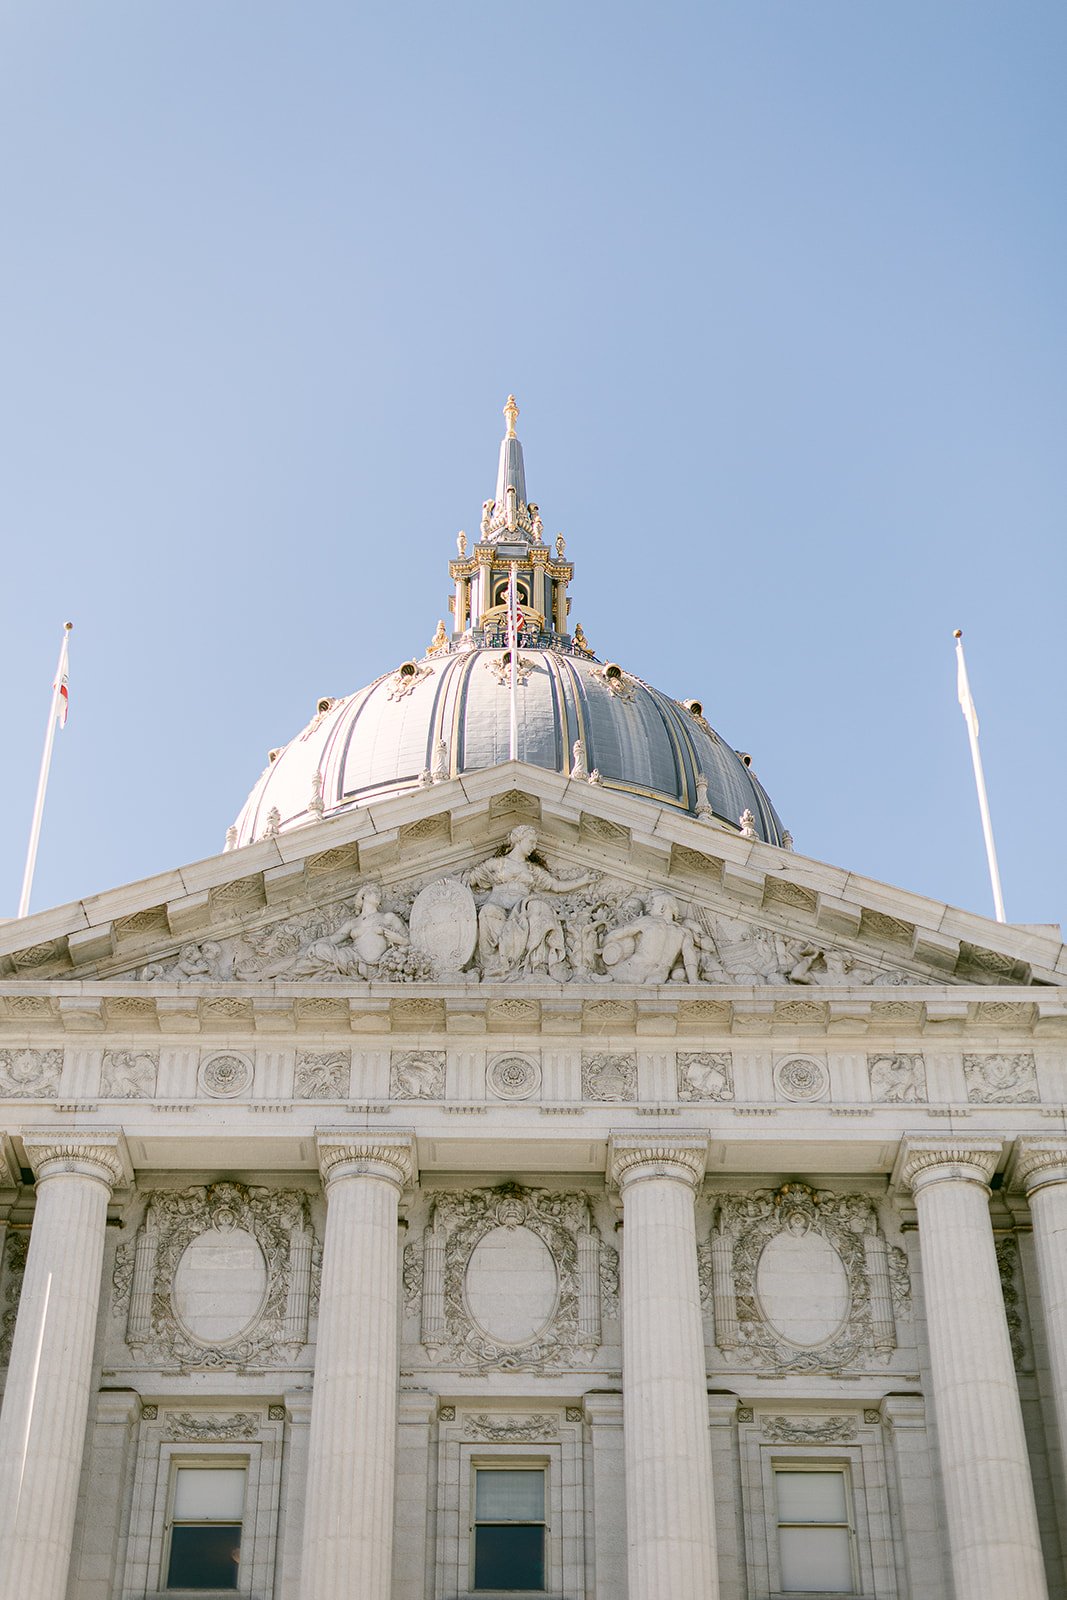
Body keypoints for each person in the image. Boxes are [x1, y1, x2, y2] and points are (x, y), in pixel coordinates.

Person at [469, 825, 595, 978]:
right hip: (497, 905)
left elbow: (556, 886)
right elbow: (470, 879)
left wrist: (583, 880)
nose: (534, 847)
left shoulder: (532, 870)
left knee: (539, 906)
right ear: (519, 839)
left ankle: (536, 962)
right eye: (531, 842)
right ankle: (493, 964)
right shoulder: (496, 864)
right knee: (488, 911)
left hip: (521, 909)